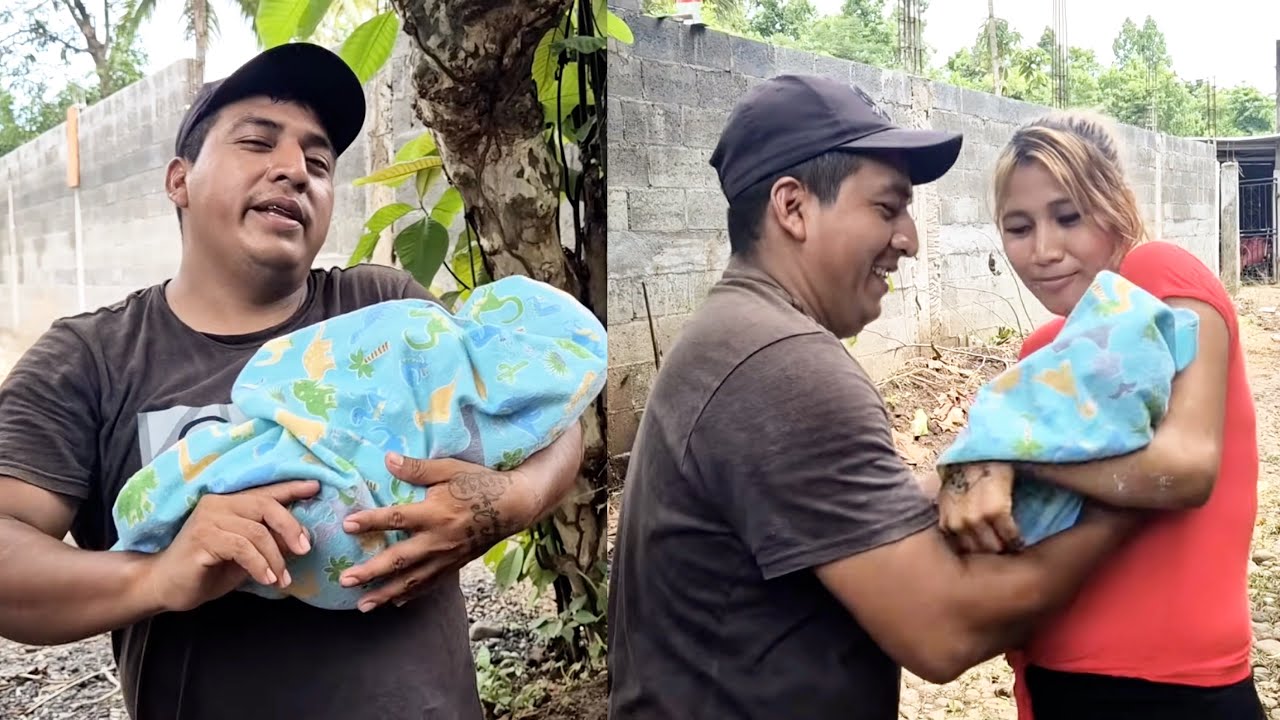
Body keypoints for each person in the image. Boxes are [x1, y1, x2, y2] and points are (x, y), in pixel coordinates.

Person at [0, 42, 585, 720]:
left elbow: (549, 411)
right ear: (179, 180)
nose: (295, 171)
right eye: (257, 142)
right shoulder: (89, 359)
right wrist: (157, 575)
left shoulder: (384, 310)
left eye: (319, 161)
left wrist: (509, 501)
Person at [606, 73, 1140, 720]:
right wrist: (1122, 507)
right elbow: (945, 631)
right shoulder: (783, 365)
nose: (910, 239)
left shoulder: (734, 335)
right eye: (888, 209)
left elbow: (848, 512)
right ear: (793, 208)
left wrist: (985, 457)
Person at [938, 109, 1262, 719]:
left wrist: (1005, 454)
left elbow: (1186, 470)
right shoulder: (1042, 352)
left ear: (1117, 208)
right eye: (1018, 227)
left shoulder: (1155, 276)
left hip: (1172, 693)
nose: (1043, 251)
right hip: (1056, 682)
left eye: (1069, 217)